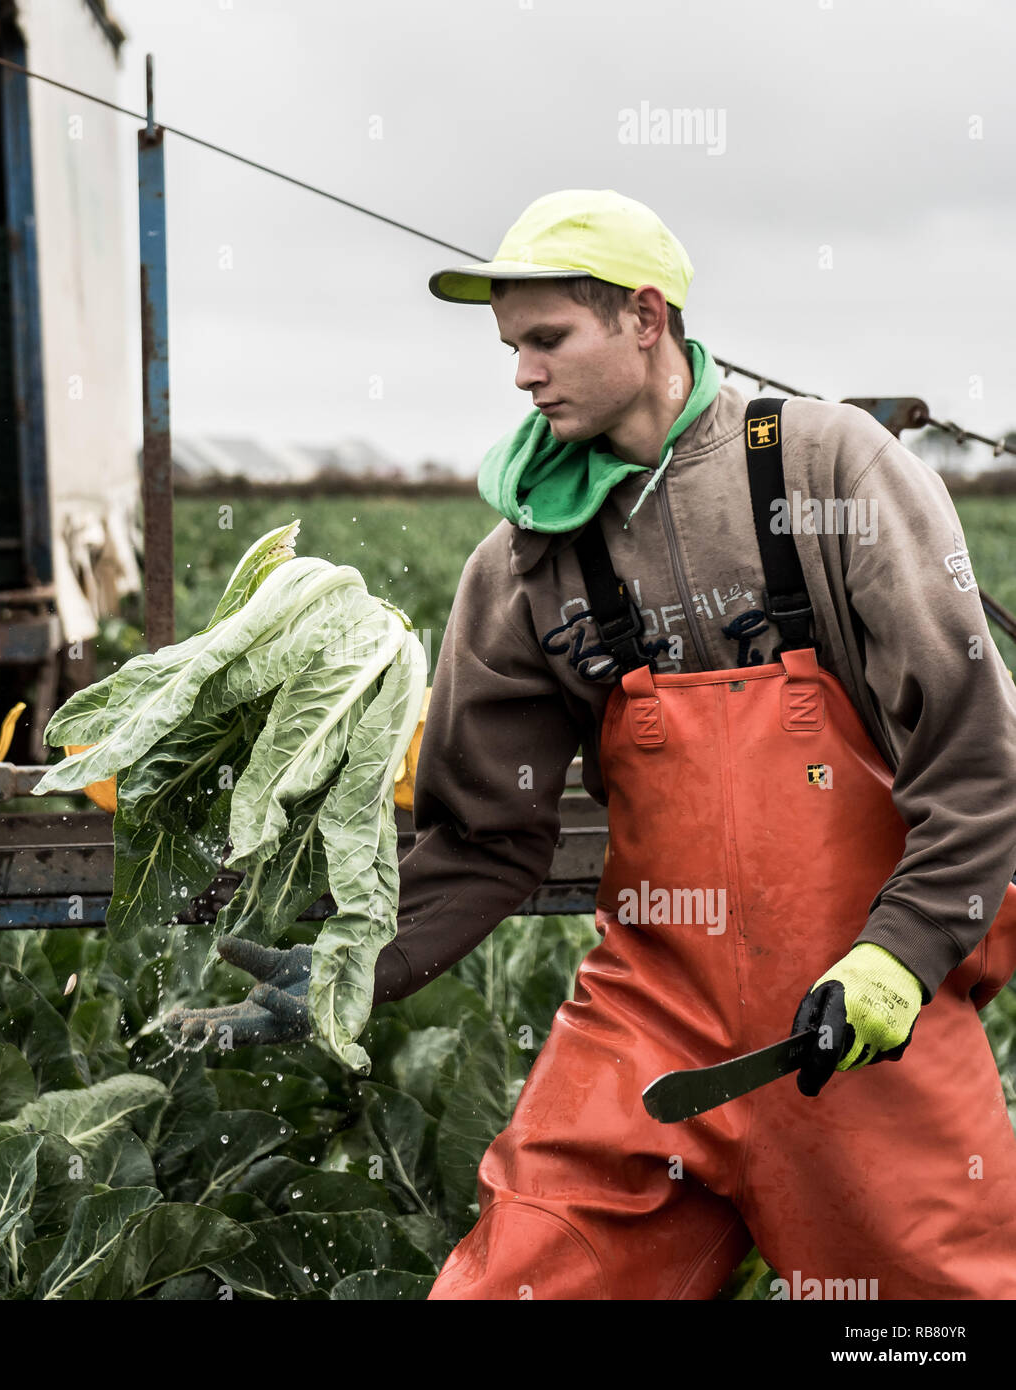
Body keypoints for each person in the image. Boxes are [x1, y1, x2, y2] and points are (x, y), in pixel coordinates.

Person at [165, 189, 1016, 1299]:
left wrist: (896, 955)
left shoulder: (822, 472)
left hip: (855, 1027)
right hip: (653, 1023)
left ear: (646, 318)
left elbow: (976, 758)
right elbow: (483, 834)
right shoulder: (524, 560)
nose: (522, 372)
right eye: (512, 346)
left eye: (548, 339)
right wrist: (359, 967)